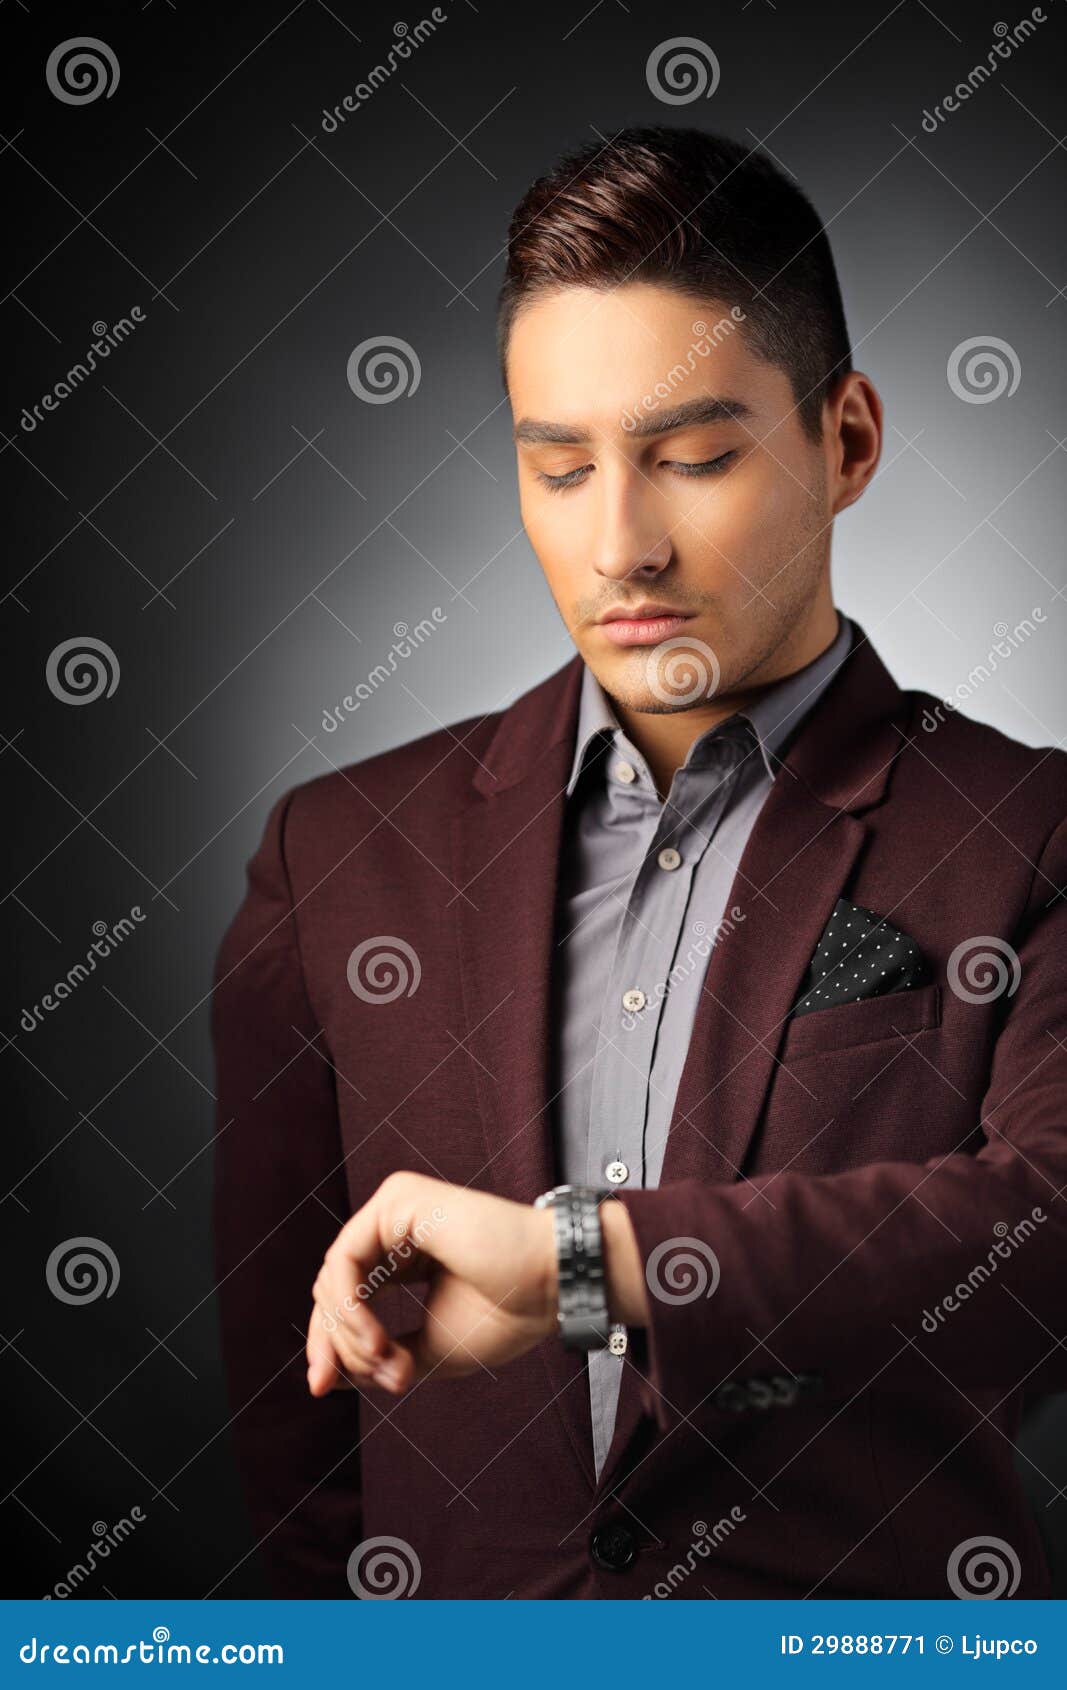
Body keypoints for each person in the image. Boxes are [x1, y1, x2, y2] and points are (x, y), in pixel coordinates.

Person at [212, 126, 1067, 1600]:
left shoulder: (1030, 831)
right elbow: (290, 1395)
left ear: (846, 441)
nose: (621, 546)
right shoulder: (337, 852)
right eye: (559, 468)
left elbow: (1046, 1240)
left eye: (693, 459)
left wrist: (591, 1264)